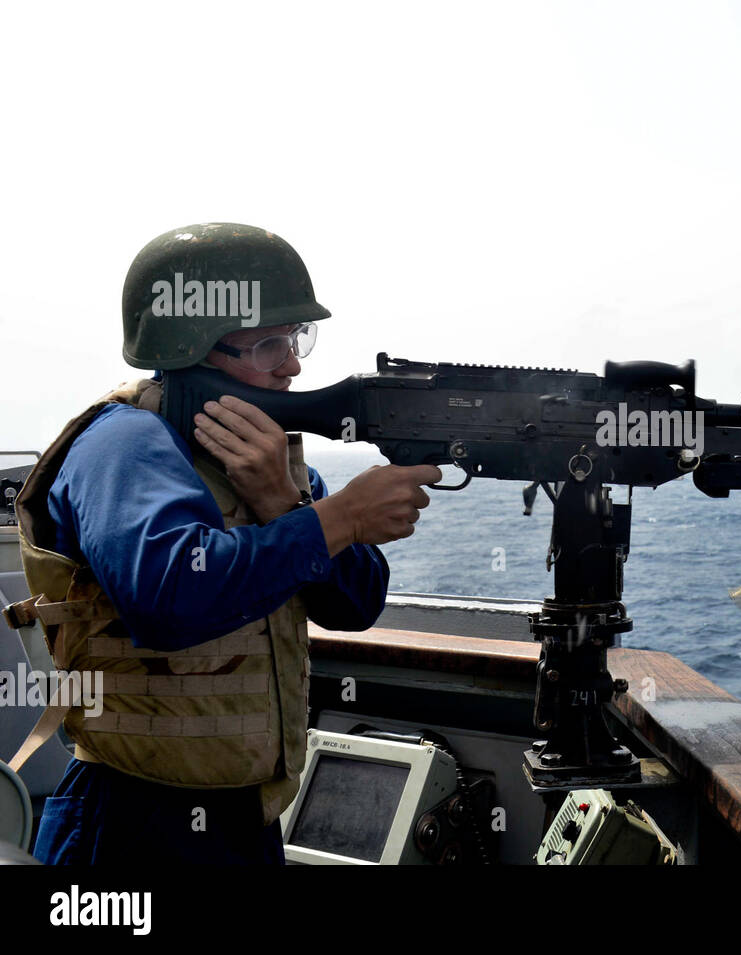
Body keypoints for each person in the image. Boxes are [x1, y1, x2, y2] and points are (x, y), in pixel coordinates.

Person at [6, 223, 439, 863]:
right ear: (193, 351)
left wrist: (284, 506)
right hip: (128, 823)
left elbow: (356, 605)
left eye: (296, 339)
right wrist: (337, 519)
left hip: (247, 821)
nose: (292, 365)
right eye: (268, 346)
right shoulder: (122, 444)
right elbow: (169, 598)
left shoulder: (275, 461)